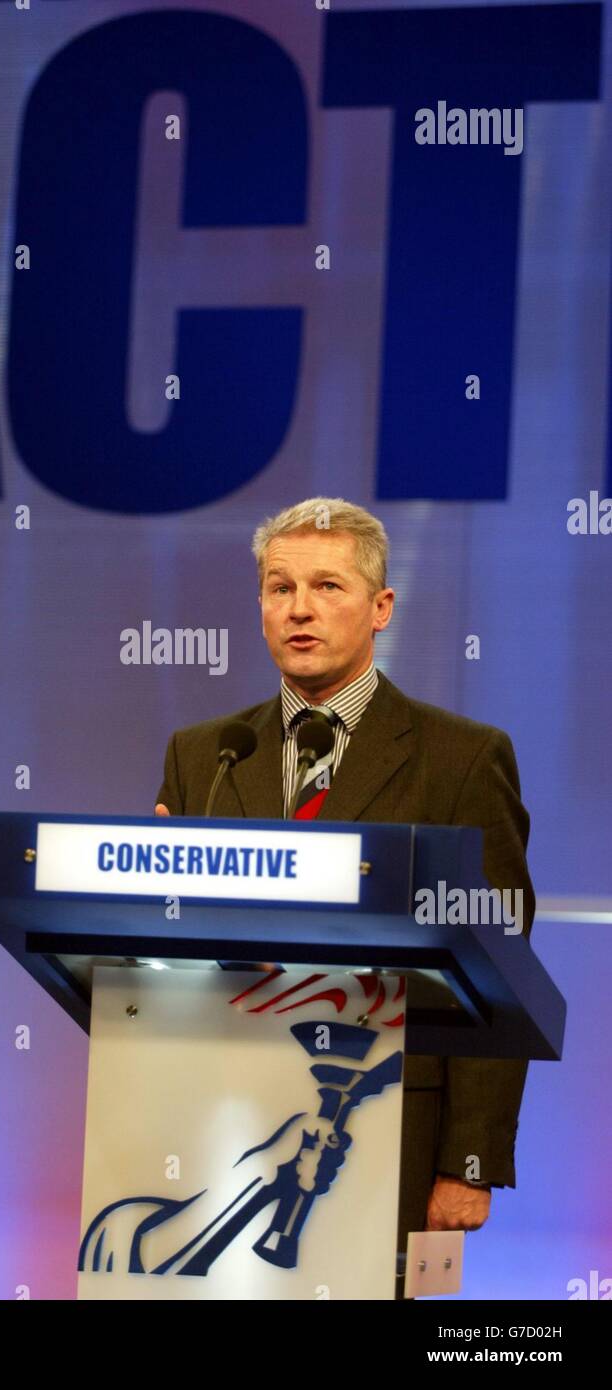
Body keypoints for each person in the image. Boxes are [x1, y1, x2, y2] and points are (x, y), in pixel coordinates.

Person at [154, 497, 534, 1287]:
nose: (299, 609)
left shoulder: (462, 760)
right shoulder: (207, 758)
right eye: (279, 587)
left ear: (381, 607)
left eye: (328, 586)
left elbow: (501, 964)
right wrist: (153, 889)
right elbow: (174, 954)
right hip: (218, 1116)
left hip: (393, 1123)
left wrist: (470, 1159)